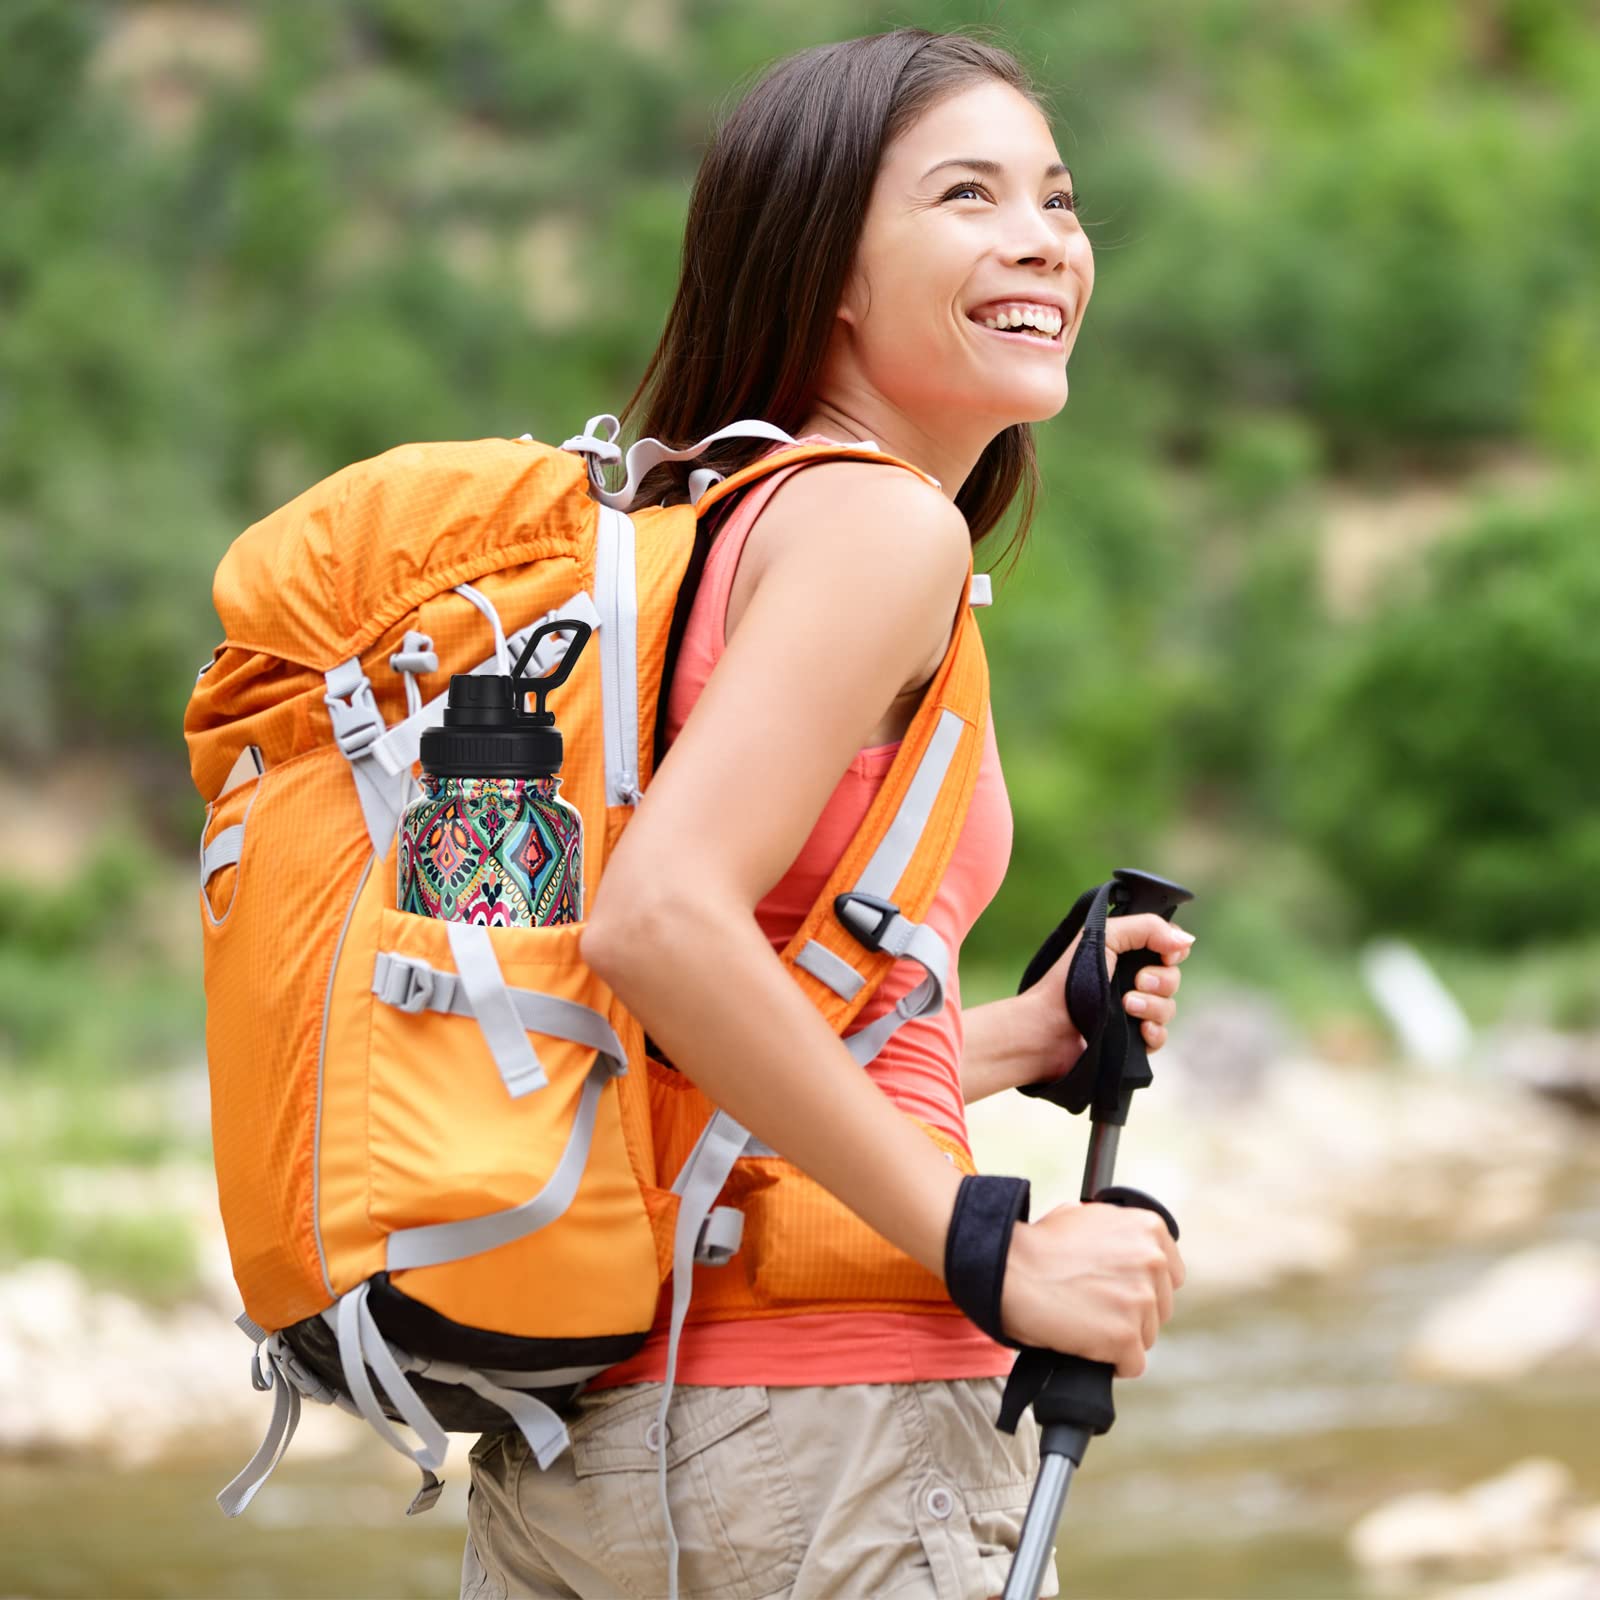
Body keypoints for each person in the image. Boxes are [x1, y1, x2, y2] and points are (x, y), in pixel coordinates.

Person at [462, 26, 1191, 1600]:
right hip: (832, 1438)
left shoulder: (697, 531)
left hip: (598, 1446)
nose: (1042, 243)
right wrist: (982, 1238)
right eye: (966, 196)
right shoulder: (877, 525)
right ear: (829, 271)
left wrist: (1012, 1038)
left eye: (1057, 202)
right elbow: (654, 921)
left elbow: (683, 1007)